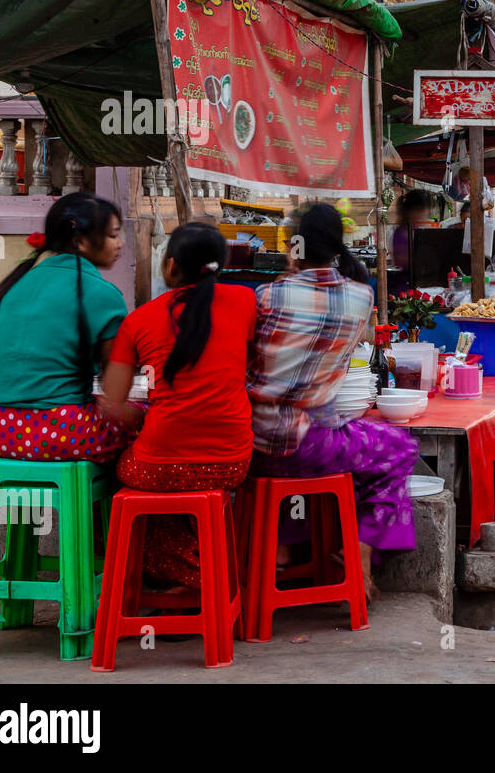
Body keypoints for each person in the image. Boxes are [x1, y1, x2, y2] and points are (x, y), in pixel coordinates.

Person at [247, 203, 419, 600]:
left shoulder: (267, 295)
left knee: (290, 472)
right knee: (400, 448)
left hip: (252, 444)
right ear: (338, 250)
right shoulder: (360, 298)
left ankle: (282, 551)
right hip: (313, 444)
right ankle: (359, 550)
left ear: (295, 248)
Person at [98, 223, 257, 588]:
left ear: (170, 266)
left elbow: (112, 404)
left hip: (161, 466)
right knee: (180, 492)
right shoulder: (245, 301)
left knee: (121, 480)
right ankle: (210, 568)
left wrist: (142, 417)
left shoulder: (139, 320)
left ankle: (197, 575)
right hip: (232, 463)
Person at [0, 193, 135, 462]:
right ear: (81, 241)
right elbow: (115, 393)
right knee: (147, 427)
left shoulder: (15, 284)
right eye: (112, 235)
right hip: (59, 432)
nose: (119, 244)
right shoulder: (103, 294)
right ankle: (99, 505)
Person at [390, 188, 433, 289]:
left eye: (424, 212)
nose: (422, 216)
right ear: (409, 211)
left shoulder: (420, 230)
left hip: (423, 282)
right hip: (405, 285)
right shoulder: (401, 232)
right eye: (419, 211)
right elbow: (400, 261)